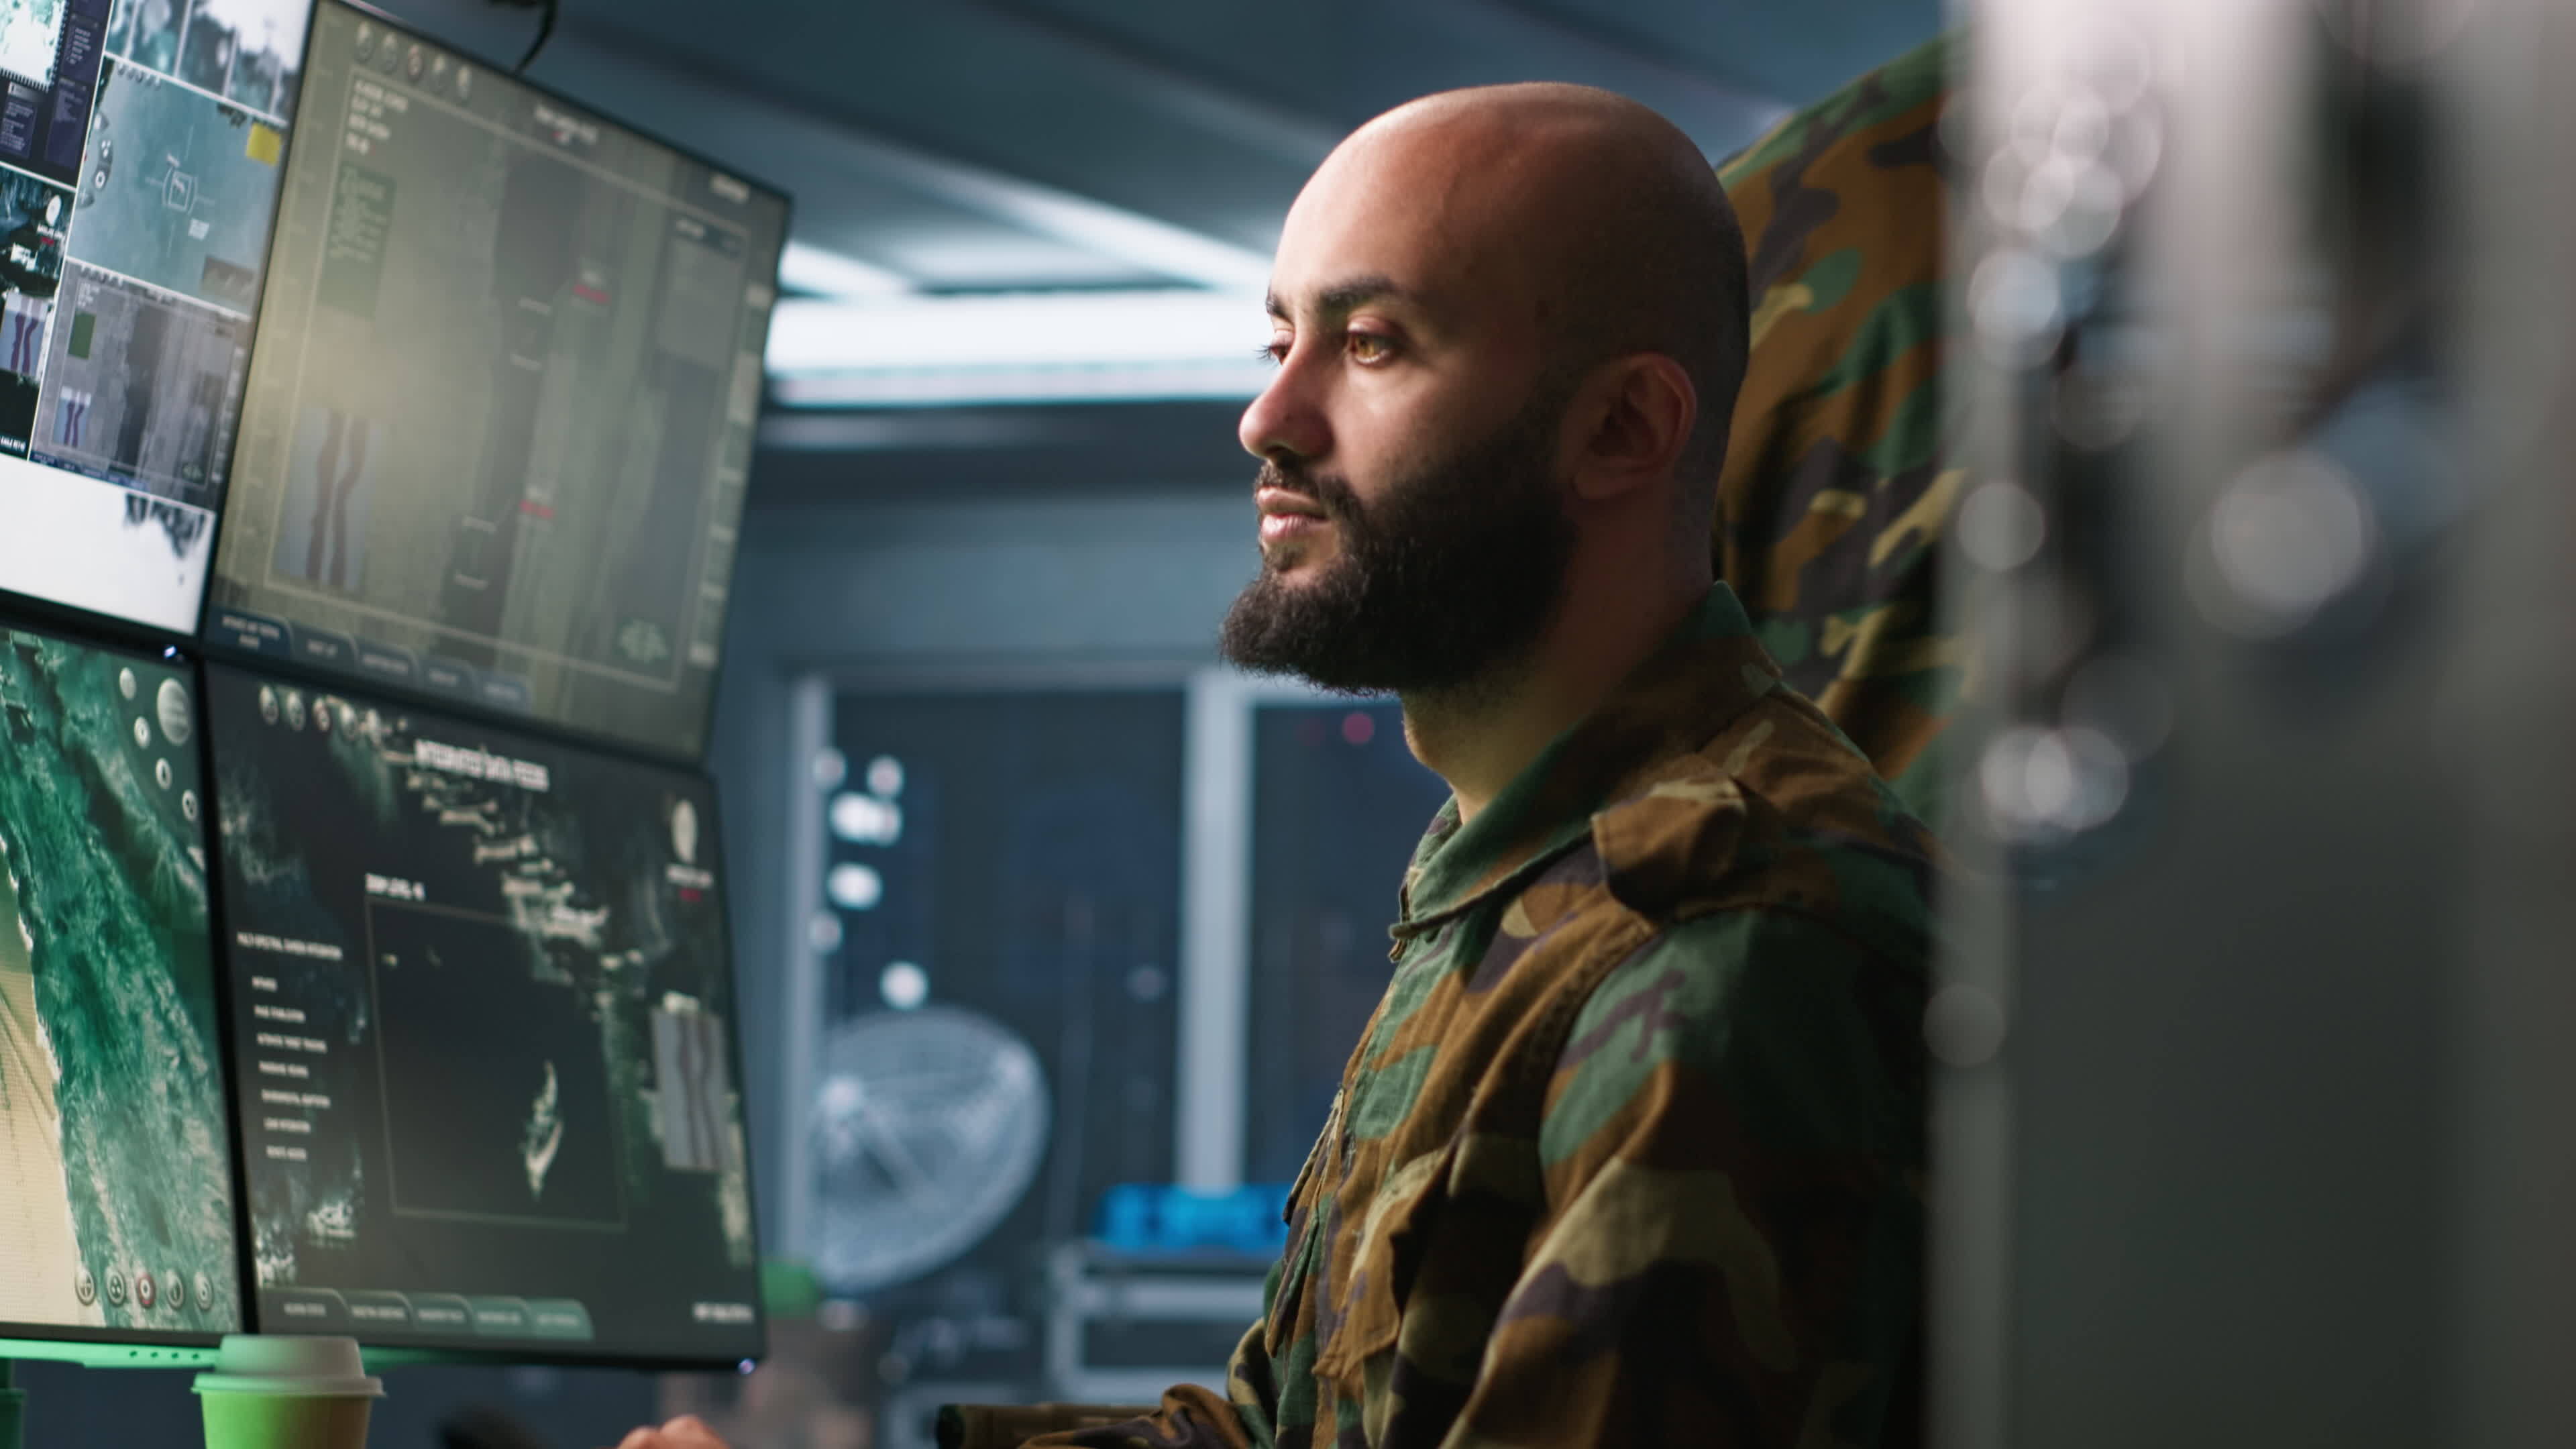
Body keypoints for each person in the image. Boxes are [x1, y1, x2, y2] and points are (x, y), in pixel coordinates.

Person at [614, 78, 1933, 1449]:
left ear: (1622, 430)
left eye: (1369, 344)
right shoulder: (1518, 879)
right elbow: (1286, 1430)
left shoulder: (1723, 949)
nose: (1268, 416)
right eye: (1278, 339)